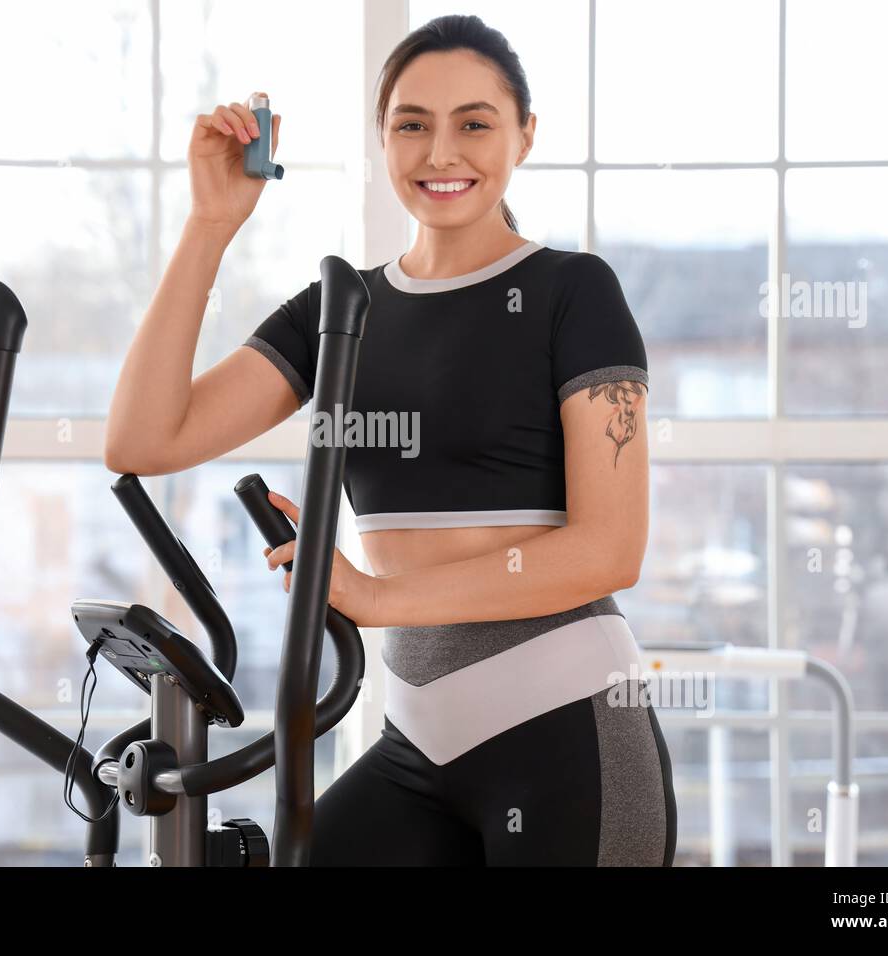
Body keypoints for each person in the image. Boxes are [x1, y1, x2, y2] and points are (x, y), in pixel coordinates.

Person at [105, 14, 676, 866]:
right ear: (383, 139)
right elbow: (144, 439)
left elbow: (609, 551)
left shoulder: (573, 292)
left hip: (570, 731)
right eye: (413, 124)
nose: (442, 153)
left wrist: (370, 598)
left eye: (475, 123)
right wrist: (211, 223)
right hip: (421, 746)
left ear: (526, 134)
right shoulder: (337, 313)